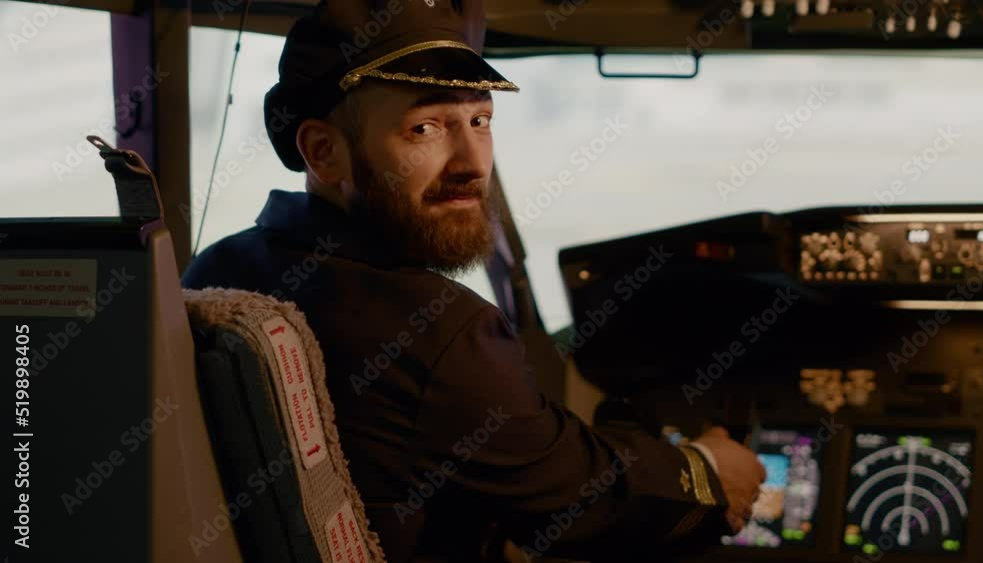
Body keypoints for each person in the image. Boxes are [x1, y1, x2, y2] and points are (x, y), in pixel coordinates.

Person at [182, 1, 765, 561]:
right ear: (324, 152)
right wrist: (708, 470)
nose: (470, 162)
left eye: (480, 121)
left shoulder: (217, 269)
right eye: (426, 127)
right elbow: (578, 500)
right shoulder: (439, 330)